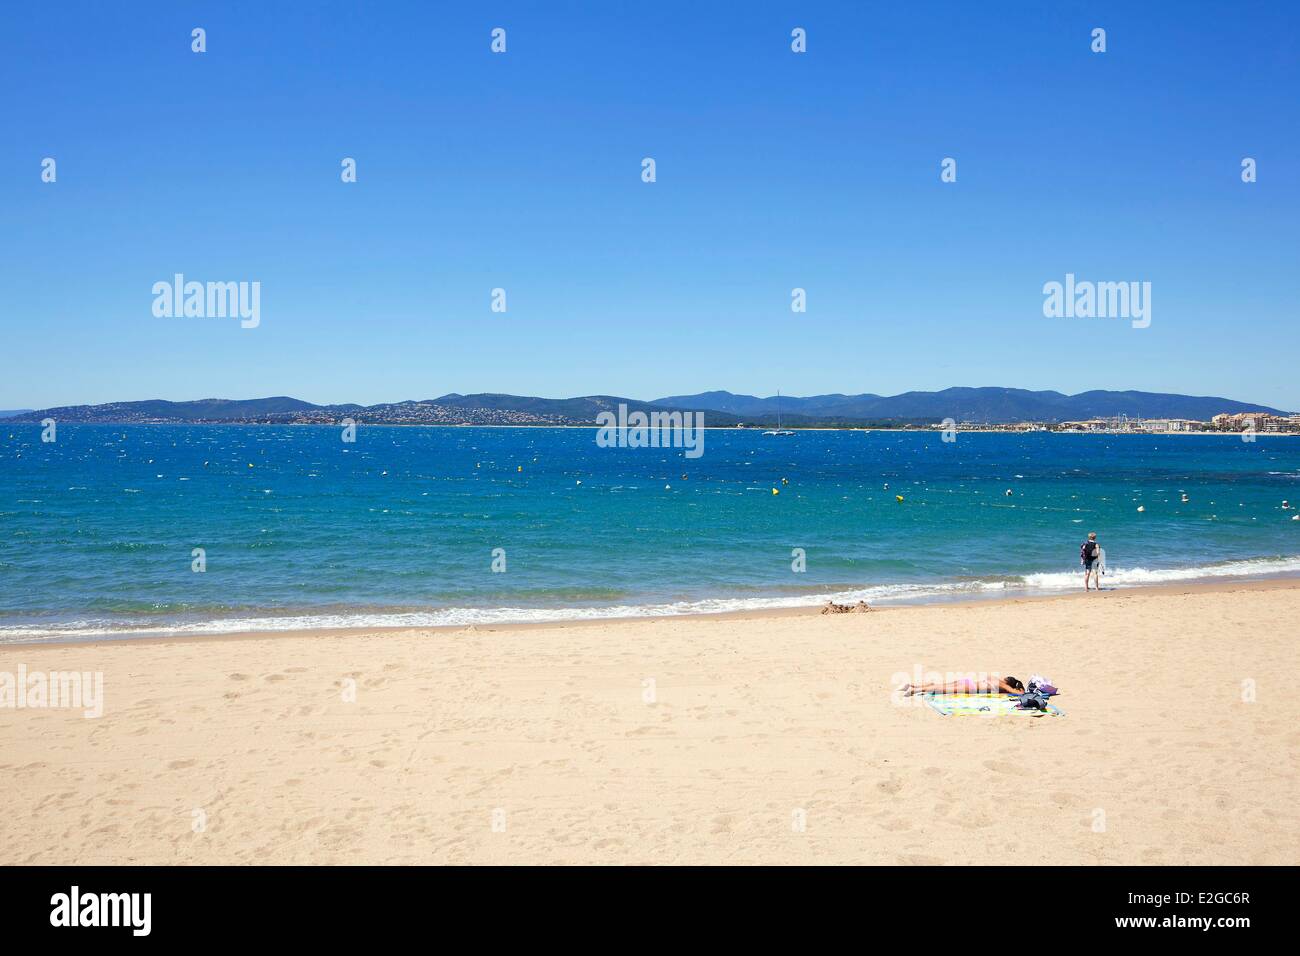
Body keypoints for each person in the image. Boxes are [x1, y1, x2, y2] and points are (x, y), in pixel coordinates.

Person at [900, 675, 1024, 696]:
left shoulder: (995, 679)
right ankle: (913, 690)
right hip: (971, 688)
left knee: (940, 685)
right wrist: (1020, 689)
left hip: (968, 681)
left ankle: (912, 685)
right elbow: (1017, 693)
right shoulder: (1002, 685)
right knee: (941, 689)